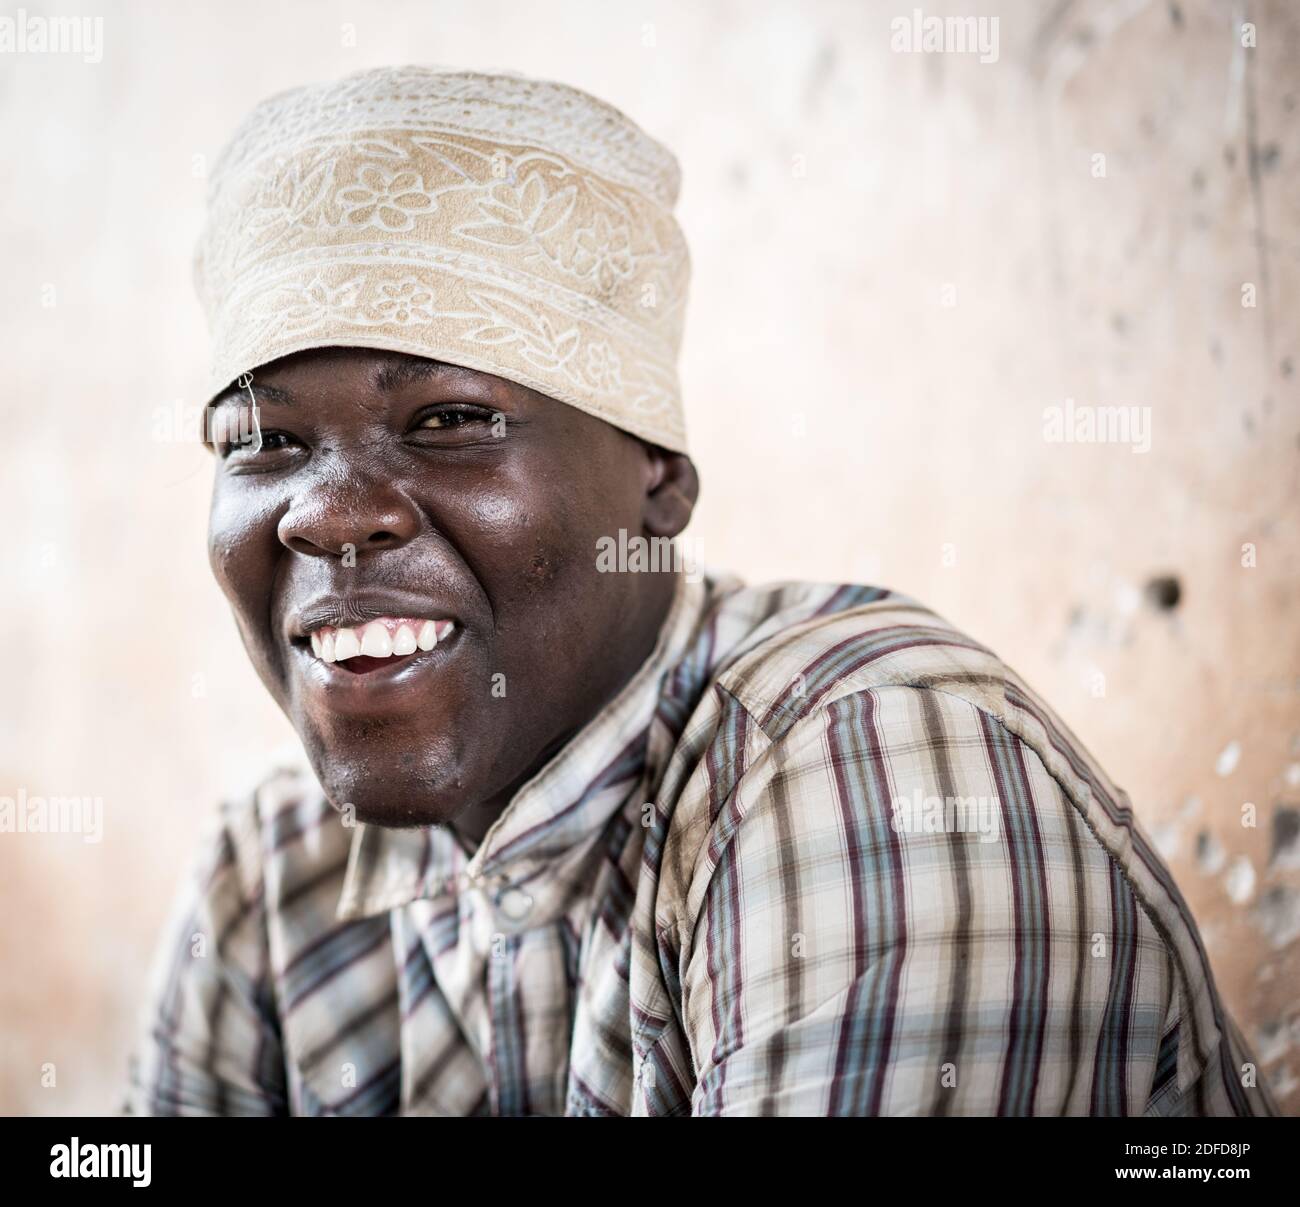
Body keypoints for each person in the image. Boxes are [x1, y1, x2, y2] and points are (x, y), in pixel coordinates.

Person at [123, 65, 1276, 1116]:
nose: (324, 511)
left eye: (451, 420)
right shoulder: (273, 876)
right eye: (263, 443)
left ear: (658, 481)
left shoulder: (868, 771)